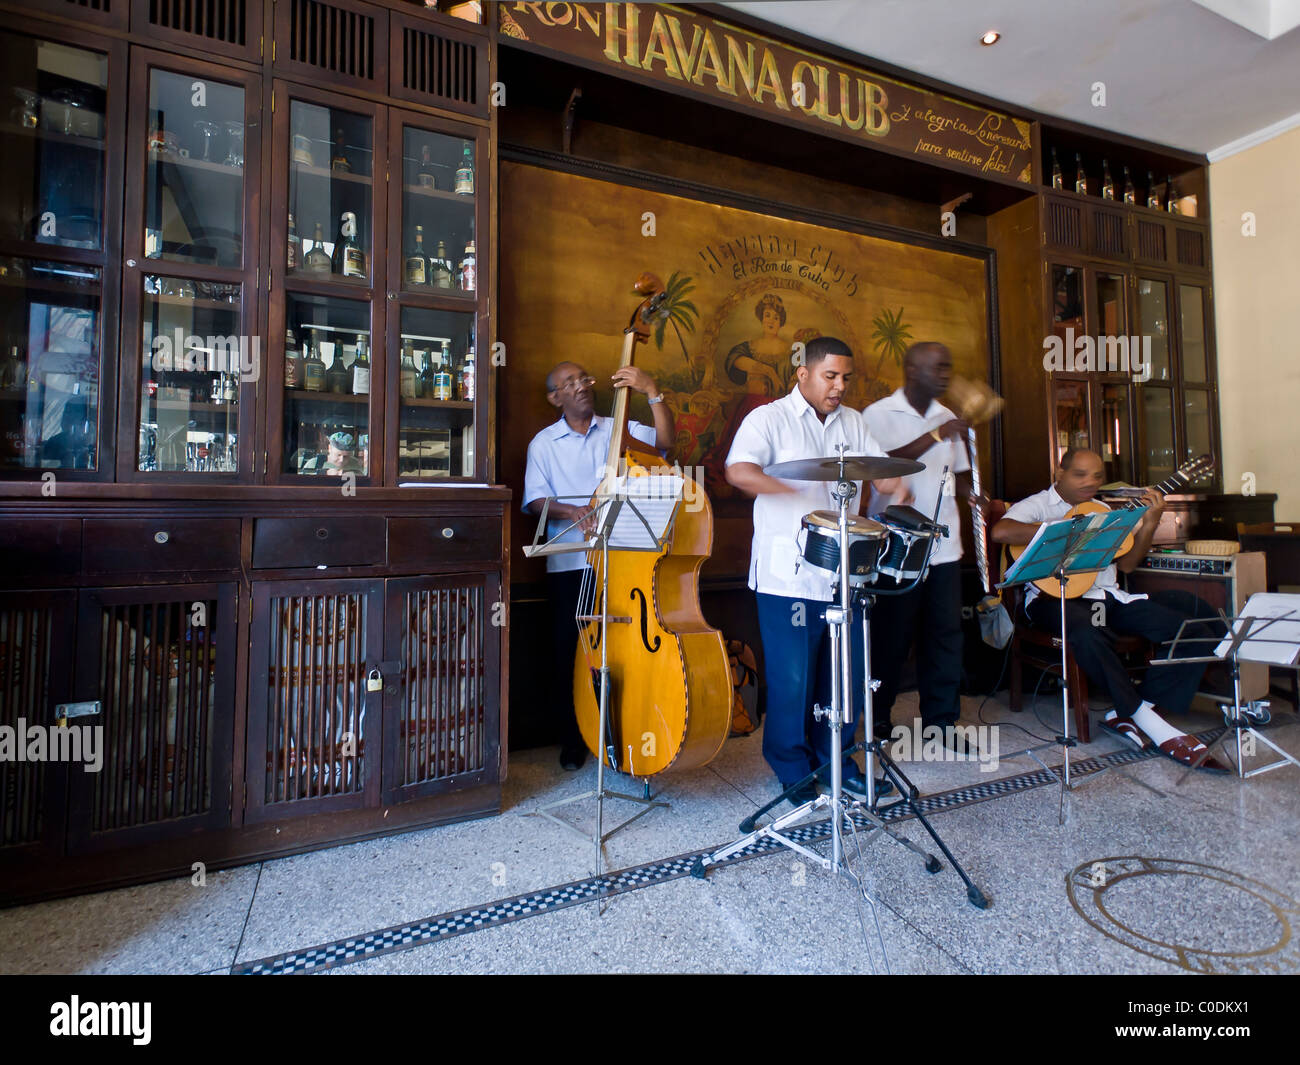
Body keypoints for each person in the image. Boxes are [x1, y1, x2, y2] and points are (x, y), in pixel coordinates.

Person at [726, 335, 905, 805]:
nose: (840, 386)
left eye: (846, 377)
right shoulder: (769, 419)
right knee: (792, 681)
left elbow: (883, 474)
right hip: (789, 575)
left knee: (843, 677)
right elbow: (738, 471)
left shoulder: (854, 422)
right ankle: (793, 769)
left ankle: (839, 762)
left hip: (844, 573)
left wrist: (895, 488)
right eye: (831, 376)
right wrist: (792, 492)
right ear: (802, 373)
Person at [990, 448, 1228, 771]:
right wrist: (1069, 531)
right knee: (1086, 631)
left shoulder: (1102, 509)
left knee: (1192, 629)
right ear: (1059, 474)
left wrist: (1150, 523)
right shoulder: (1038, 505)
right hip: (1054, 601)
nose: (1090, 482)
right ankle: (1150, 722)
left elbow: (1128, 564)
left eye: (1097, 476)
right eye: (1080, 475)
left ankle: (1128, 711)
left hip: (1107, 601)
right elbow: (1001, 532)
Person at [521, 361, 674, 770]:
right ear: (555, 397)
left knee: (625, 653)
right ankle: (575, 738)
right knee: (572, 654)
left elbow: (665, 442)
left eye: (584, 379)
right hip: (572, 564)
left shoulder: (620, 427)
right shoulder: (544, 444)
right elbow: (535, 500)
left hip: (626, 564)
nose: (581, 387)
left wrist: (651, 389)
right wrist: (574, 511)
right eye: (568, 383)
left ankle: (628, 731)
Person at [864, 342, 980, 753]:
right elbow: (880, 465)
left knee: (945, 634)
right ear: (912, 370)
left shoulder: (948, 416)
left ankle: (941, 722)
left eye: (949, 368)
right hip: (897, 546)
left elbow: (958, 475)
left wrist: (975, 496)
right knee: (891, 636)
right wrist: (934, 435)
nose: (947, 375)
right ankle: (877, 719)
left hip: (946, 544)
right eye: (939, 368)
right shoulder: (876, 415)